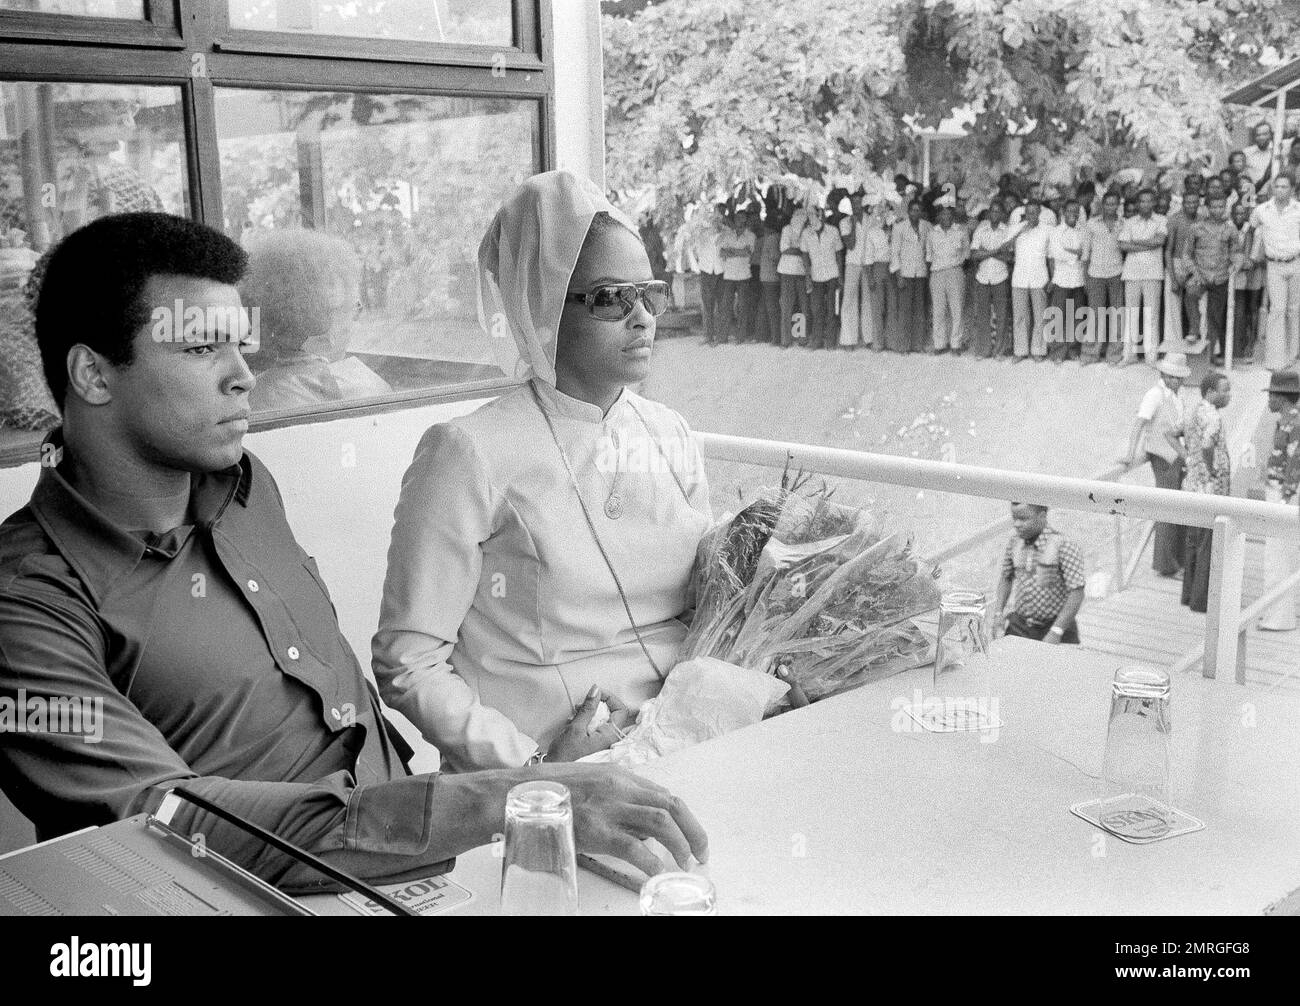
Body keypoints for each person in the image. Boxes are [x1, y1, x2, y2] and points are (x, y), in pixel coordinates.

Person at [0, 209, 708, 889]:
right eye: (199, 347)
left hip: (419, 863)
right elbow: (160, 822)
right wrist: (510, 795)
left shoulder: (242, 488)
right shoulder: (27, 602)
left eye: (239, 342)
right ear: (93, 376)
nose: (243, 374)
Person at [373, 171, 714, 772]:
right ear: (546, 308)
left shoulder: (671, 434)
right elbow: (409, 661)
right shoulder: (467, 452)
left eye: (650, 293)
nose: (643, 318)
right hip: (547, 770)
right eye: (612, 298)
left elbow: (708, 608)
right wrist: (534, 767)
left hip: (690, 737)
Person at [240, 229, 392, 411]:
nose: (354, 322)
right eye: (354, 307)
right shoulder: (364, 388)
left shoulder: (249, 397)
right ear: (326, 313)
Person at [1124, 352, 1191, 577]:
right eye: (1172, 376)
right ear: (1163, 374)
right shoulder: (1154, 395)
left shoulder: (1176, 397)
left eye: (1179, 377)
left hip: (1176, 456)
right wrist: (1130, 453)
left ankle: (1176, 562)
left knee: (1178, 509)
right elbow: (1139, 424)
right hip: (1162, 458)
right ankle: (1167, 564)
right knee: (1167, 509)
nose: (1176, 381)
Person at [993, 503, 1085, 644]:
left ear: (1042, 516)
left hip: (1055, 625)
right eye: (1014, 518)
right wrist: (998, 614)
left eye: (1023, 519)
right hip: (1020, 625)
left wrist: (1056, 631)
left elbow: (1077, 592)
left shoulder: (1063, 544)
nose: (1017, 524)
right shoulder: (1014, 542)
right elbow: (1006, 577)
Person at [1180, 371, 1232, 613]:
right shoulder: (1213, 416)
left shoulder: (1194, 411)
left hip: (1192, 485)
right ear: (1211, 391)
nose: (1228, 395)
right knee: (1207, 544)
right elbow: (1208, 445)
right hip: (1209, 488)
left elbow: (1171, 433)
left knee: (1193, 541)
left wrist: (1189, 459)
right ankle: (1202, 601)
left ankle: (1189, 595)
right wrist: (1211, 471)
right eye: (1225, 390)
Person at [1177, 193, 1239, 366]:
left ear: (1225, 208)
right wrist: (1194, 272)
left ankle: (1209, 356)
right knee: (1190, 292)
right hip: (1200, 275)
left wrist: (1236, 263)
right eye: (1214, 207)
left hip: (1220, 277)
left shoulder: (1230, 229)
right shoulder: (1196, 228)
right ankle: (1194, 328)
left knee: (1215, 317)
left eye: (1221, 207)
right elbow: (1186, 255)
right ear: (1207, 208)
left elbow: (1236, 251)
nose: (1217, 210)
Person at [1259, 369, 1300, 631]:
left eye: (1271, 394)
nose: (1268, 400)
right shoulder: (1288, 419)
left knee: (1277, 555)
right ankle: (1284, 612)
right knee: (1284, 554)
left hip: (1283, 494)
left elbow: (1296, 462)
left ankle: (1278, 619)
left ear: (1282, 397)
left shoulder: (1293, 423)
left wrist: (1286, 495)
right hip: (1282, 492)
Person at [1249, 173, 1300, 369]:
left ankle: (1293, 356)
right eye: (1277, 186)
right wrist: (1250, 256)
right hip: (1274, 265)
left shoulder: (1298, 210)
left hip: (1295, 262)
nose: (1280, 190)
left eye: (1284, 187)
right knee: (1277, 310)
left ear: (1292, 189)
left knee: (1294, 310)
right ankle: (1275, 359)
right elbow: (1250, 230)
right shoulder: (1262, 210)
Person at [1118, 188, 1168, 366]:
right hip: (1131, 273)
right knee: (1131, 314)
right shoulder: (1129, 221)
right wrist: (1148, 244)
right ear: (1137, 204)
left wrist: (1136, 242)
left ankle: (1151, 357)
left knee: (1151, 316)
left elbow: (1160, 241)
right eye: (1142, 201)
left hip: (1153, 273)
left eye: (1149, 201)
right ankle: (1128, 355)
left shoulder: (1161, 220)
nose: (1145, 204)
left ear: (1154, 203)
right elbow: (1123, 245)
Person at [1081, 190, 1126, 363]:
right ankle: (1091, 353)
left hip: (1117, 273)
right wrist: (1086, 278)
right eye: (1107, 204)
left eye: (1114, 204)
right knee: (1095, 315)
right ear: (1102, 205)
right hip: (1095, 273)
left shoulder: (1123, 223)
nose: (1110, 207)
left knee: (1117, 314)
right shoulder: (1092, 224)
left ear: (1118, 206)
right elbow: (1086, 253)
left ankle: (1114, 353)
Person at [968, 200, 1013, 357]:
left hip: (1001, 277)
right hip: (982, 277)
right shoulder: (981, 230)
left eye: (997, 211)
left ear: (1002, 214)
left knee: (1002, 315)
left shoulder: (1007, 231)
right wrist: (995, 252)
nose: (994, 214)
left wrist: (985, 252)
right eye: (992, 211)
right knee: (982, 315)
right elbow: (973, 255)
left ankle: (999, 350)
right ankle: (983, 350)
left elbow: (1009, 257)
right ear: (988, 214)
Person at [925, 203, 969, 354]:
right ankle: (939, 344)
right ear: (938, 217)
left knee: (957, 309)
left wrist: (957, 266)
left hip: (955, 272)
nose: (946, 217)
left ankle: (956, 344)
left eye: (949, 215)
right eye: (943, 214)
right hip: (937, 273)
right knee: (938, 309)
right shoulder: (932, 233)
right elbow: (929, 256)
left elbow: (966, 254)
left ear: (953, 216)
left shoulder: (961, 232)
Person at [1046, 198, 1086, 362]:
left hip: (1078, 279)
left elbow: (1084, 254)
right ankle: (1058, 352)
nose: (1073, 214)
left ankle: (1073, 350)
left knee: (1077, 316)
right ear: (1063, 212)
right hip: (1061, 279)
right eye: (1070, 211)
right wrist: (1075, 253)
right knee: (1057, 316)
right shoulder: (1056, 232)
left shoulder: (1082, 231)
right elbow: (1056, 255)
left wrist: (1075, 253)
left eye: (1076, 211)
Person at [1010, 200, 1051, 360]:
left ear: (1039, 213)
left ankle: (1038, 350)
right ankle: (1020, 351)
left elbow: (1050, 257)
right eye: (1028, 212)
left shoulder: (1047, 231)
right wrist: (1019, 230)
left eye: (1034, 212)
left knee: (1040, 316)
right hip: (1019, 278)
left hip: (1039, 277)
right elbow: (1006, 247)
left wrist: (1051, 278)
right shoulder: (1016, 229)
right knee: (1020, 316)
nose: (1031, 215)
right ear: (1024, 213)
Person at [889, 200, 929, 352]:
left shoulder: (926, 226)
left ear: (921, 212)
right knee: (905, 311)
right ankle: (903, 346)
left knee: (919, 310)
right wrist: (898, 276)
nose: (915, 213)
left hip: (920, 273)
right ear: (908, 211)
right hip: (905, 274)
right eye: (912, 210)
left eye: (918, 210)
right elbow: (895, 253)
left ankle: (918, 345)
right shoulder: (899, 227)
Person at [1165, 189, 1202, 350]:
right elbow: (1169, 250)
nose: (1191, 205)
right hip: (1177, 262)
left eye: (1195, 202)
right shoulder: (1175, 220)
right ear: (1183, 203)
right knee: (1172, 305)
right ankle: (1173, 344)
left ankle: (1199, 342)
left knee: (1199, 302)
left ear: (1199, 203)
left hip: (1196, 263)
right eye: (1188, 202)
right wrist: (1173, 278)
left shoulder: (1202, 220)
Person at [800, 209, 842, 350]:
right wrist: (807, 277)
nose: (813, 219)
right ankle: (817, 341)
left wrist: (840, 277)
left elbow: (839, 255)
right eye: (810, 216)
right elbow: (805, 257)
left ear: (822, 217)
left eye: (815, 216)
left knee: (832, 310)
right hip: (816, 275)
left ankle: (830, 342)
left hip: (832, 275)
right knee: (816, 309)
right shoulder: (806, 233)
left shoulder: (833, 231)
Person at [1231, 202, 1265, 361]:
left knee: (1253, 308)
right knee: (1238, 309)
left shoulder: (1256, 231)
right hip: (1237, 274)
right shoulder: (1229, 227)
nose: (1239, 216)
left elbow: (1261, 253)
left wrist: (1252, 262)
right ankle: (1236, 346)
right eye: (1236, 213)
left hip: (1254, 272)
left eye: (1242, 213)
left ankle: (1250, 344)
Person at [717, 208, 757, 344]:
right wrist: (738, 251)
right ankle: (723, 337)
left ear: (746, 220)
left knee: (742, 307)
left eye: (742, 218)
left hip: (744, 275)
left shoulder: (751, 236)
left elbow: (747, 253)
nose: (739, 220)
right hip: (729, 275)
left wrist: (731, 251)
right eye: (737, 218)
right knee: (725, 307)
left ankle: (741, 337)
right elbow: (722, 253)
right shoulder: (728, 235)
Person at [688, 204, 725, 345]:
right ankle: (708, 336)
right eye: (713, 218)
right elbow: (691, 245)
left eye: (718, 218)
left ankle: (720, 336)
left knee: (721, 305)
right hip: (706, 271)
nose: (715, 220)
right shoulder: (701, 234)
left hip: (721, 271)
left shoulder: (725, 233)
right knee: (707, 305)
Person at [859, 204, 892, 350]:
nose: (884, 215)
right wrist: (870, 277)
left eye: (886, 212)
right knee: (877, 308)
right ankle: (878, 342)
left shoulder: (895, 230)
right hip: (877, 268)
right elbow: (867, 257)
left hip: (894, 269)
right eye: (881, 213)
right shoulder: (872, 232)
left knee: (892, 306)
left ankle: (891, 342)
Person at [777, 208, 810, 347]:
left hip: (802, 272)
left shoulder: (808, 230)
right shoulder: (787, 229)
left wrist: (799, 251)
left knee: (802, 306)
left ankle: (800, 336)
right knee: (787, 306)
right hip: (787, 271)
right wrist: (802, 252)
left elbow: (795, 250)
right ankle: (786, 339)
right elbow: (784, 248)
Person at [838, 196, 868, 349]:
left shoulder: (871, 219)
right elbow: (850, 245)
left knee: (868, 301)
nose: (856, 206)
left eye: (859, 202)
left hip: (869, 263)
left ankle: (868, 339)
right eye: (853, 203)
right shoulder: (844, 222)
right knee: (849, 300)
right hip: (852, 263)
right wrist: (854, 225)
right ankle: (849, 340)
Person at [757, 212, 783, 345]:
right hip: (772, 276)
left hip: (770, 277)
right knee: (773, 307)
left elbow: (774, 256)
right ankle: (773, 336)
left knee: (772, 308)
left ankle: (775, 338)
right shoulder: (776, 237)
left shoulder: (771, 238)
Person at [1244, 122, 1278, 197]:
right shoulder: (1247, 153)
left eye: (1265, 134)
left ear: (1271, 135)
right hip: (1253, 197)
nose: (1261, 137)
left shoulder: (1277, 151)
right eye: (1258, 135)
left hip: (1273, 198)